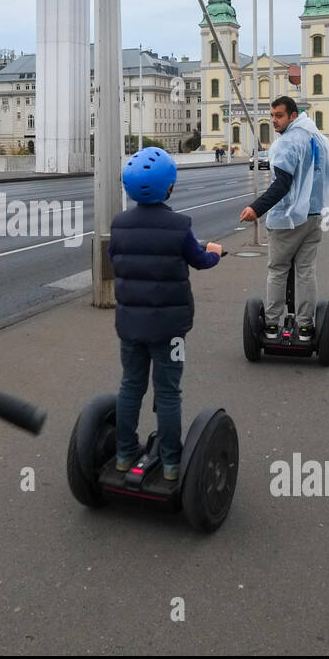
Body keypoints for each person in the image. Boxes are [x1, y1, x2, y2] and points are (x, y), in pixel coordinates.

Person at [107, 147, 222, 481]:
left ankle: (124, 455)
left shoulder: (120, 225)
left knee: (131, 386)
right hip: (171, 330)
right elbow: (199, 260)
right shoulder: (179, 226)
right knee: (168, 391)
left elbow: (116, 259)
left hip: (130, 326)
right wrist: (215, 253)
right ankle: (171, 464)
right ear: (168, 186)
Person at [239, 96, 329, 344]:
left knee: (278, 270)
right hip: (313, 215)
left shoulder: (288, 142)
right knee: (306, 271)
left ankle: (272, 325)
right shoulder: (316, 137)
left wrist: (256, 209)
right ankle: (305, 327)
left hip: (287, 219)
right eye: (272, 116)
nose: (274, 120)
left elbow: (282, 185)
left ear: (293, 116)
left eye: (279, 116)